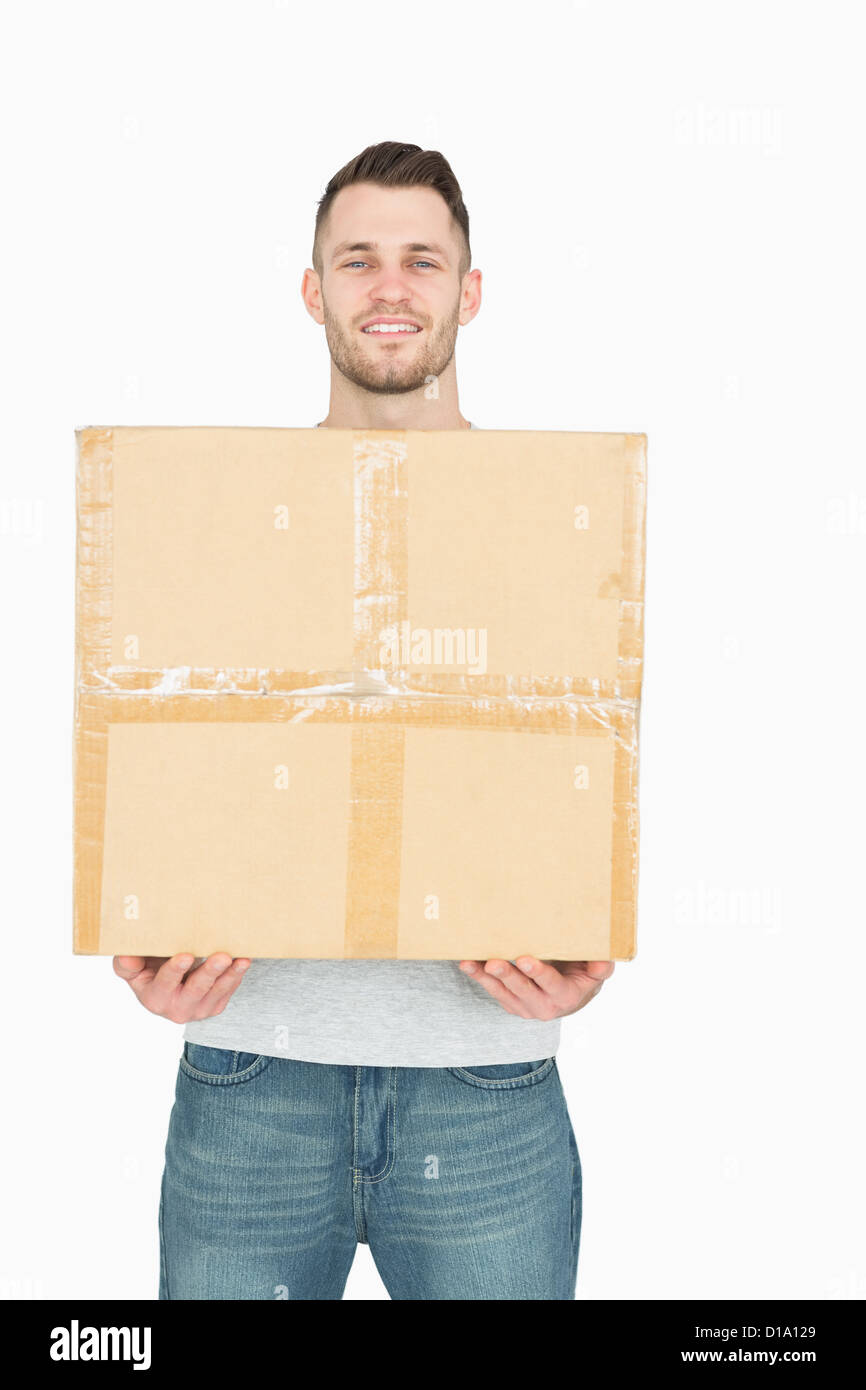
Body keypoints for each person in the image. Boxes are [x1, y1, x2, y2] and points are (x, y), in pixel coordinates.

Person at [113, 141, 615, 1300]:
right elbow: (164, 744)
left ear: (467, 292)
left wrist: (591, 955)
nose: (389, 286)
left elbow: (589, 765)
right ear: (313, 290)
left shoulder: (557, 523)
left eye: (420, 260)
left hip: (486, 1083)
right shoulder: (221, 517)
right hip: (251, 1075)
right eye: (357, 259)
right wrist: (142, 944)